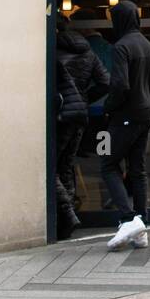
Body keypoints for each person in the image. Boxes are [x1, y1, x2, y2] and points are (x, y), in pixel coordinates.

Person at [103, 0, 150, 250]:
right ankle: (141, 221)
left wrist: (109, 107)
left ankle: (127, 218)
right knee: (138, 168)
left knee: (108, 163)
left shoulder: (121, 47)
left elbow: (120, 85)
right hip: (146, 114)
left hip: (124, 115)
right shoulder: (146, 44)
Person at [56, 20, 110, 239]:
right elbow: (106, 82)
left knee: (51, 168)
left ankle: (67, 215)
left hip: (58, 116)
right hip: (80, 116)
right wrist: (85, 100)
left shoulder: (52, 48)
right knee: (67, 165)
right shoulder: (87, 50)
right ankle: (65, 219)